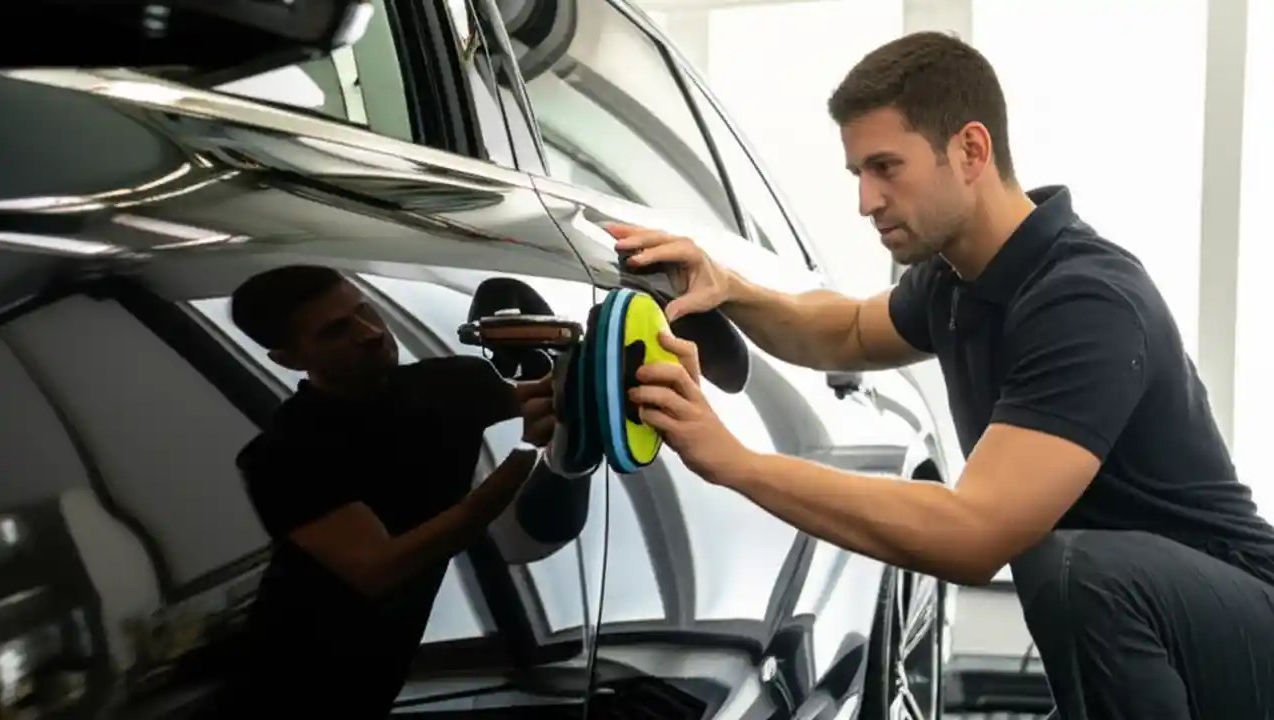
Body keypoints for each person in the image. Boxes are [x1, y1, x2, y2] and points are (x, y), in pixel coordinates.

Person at [613, 31, 1274, 720]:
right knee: (1078, 572)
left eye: (886, 167)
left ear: (971, 151)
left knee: (1078, 570)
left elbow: (973, 536)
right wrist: (732, 288)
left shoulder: (1085, 300)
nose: (866, 200)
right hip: (1149, 641)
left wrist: (737, 462)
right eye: (857, 175)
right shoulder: (955, 283)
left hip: (1241, 640)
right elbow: (841, 330)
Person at [207, 265, 555, 718]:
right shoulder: (284, 454)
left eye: (364, 309)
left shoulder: (453, 382)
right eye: (336, 331)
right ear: (290, 359)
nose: (370, 332)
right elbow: (380, 568)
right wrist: (516, 468)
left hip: (393, 660)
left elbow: (542, 398)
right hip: (297, 676)